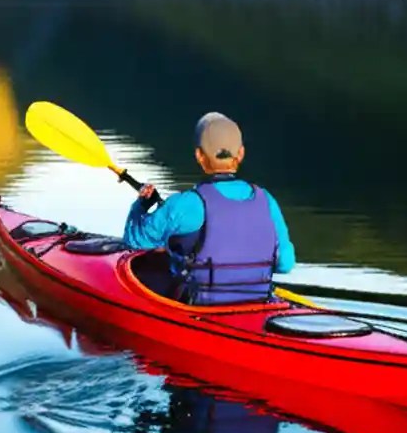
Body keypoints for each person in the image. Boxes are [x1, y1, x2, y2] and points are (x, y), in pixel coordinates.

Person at [123, 112, 296, 305]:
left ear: (199, 155)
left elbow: (135, 241)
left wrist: (141, 206)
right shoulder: (267, 201)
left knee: (150, 267)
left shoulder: (184, 203)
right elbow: (286, 264)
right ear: (241, 153)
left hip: (201, 308)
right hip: (257, 304)